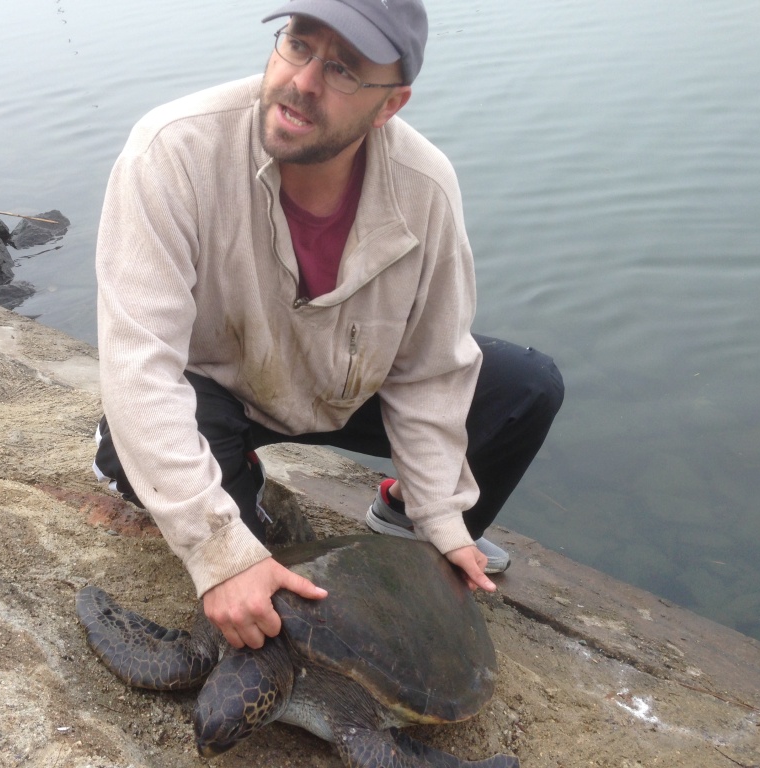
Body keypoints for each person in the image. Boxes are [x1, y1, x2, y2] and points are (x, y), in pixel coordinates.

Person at [94, 0, 564, 651]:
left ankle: (402, 517)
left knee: (527, 387)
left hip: (347, 380)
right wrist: (220, 551)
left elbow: (431, 370)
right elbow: (138, 363)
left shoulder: (425, 187)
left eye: (343, 69)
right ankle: (224, 485)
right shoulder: (172, 152)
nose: (303, 81)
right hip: (221, 385)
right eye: (297, 43)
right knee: (261, 599)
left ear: (391, 104)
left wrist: (441, 514)